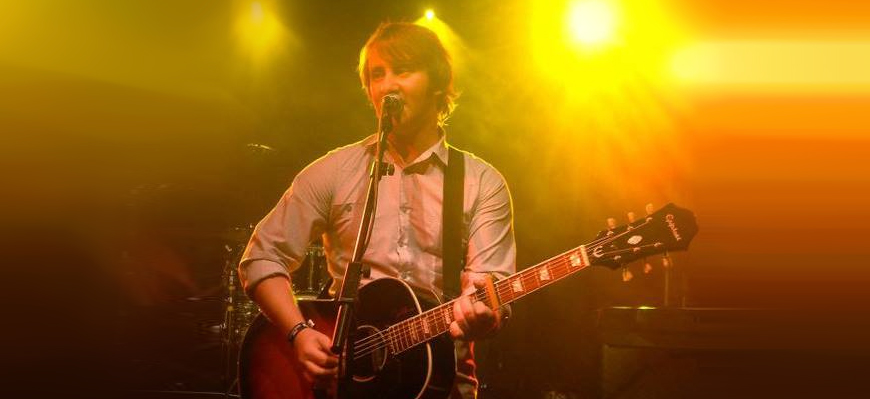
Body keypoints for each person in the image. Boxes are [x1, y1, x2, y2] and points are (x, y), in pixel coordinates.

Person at [238, 21, 516, 398]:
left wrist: (483, 313)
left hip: (438, 383)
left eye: (403, 70)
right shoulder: (335, 172)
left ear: (437, 81)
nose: (387, 86)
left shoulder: (481, 182)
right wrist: (299, 333)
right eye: (377, 75)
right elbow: (260, 259)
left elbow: (488, 288)